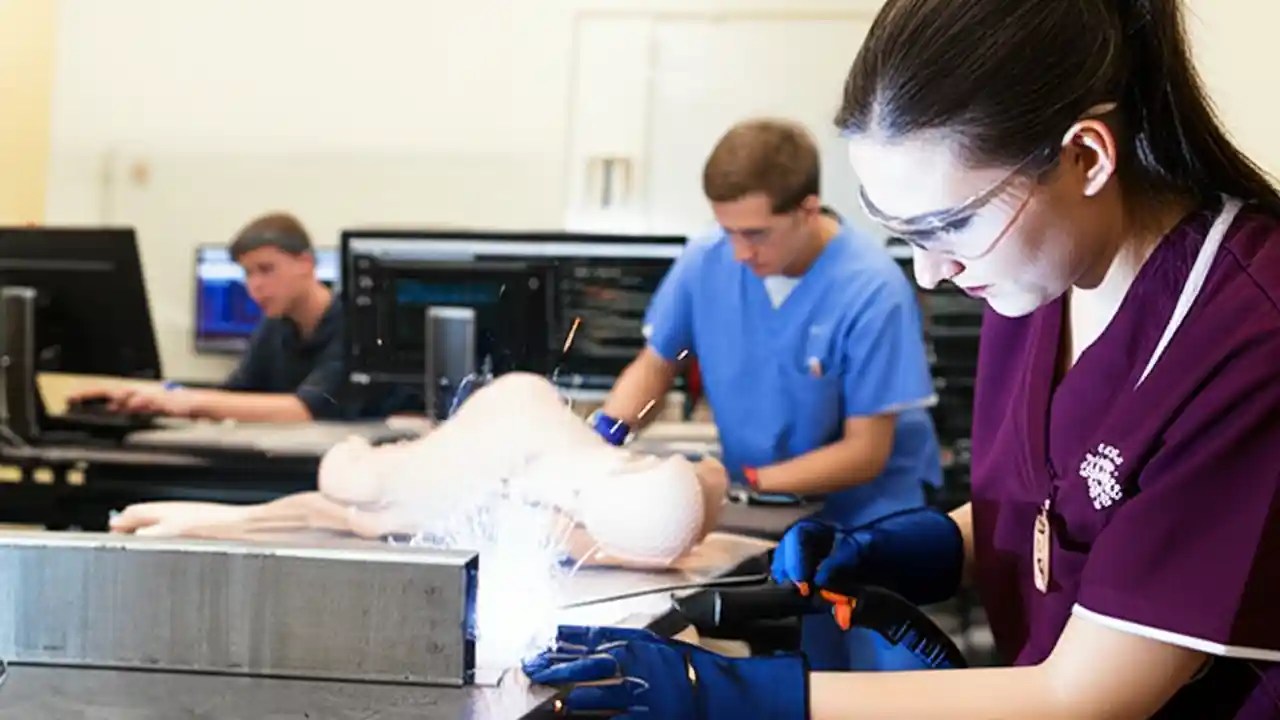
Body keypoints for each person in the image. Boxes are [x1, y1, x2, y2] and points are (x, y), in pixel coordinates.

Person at [526, 0, 1280, 717]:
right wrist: (932, 547)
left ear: (1086, 157)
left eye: (948, 225)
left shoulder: (1245, 336)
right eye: (904, 233)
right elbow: (1069, 506)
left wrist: (734, 696)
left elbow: (1084, 698)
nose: (930, 272)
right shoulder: (1037, 273)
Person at [592, 118, 943, 671]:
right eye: (726, 230)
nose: (738, 252)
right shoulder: (708, 259)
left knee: (876, 682)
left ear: (808, 210)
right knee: (808, 676)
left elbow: (865, 452)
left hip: (869, 520)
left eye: (755, 234)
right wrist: (603, 440)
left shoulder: (872, 289)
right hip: (775, 516)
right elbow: (656, 367)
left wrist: (736, 488)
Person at [105, 372, 730, 570]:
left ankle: (200, 520)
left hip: (553, 455)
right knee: (362, 506)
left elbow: (708, 478)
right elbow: (338, 483)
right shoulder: (444, 476)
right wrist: (360, 445)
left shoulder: (655, 502)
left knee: (362, 517)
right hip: (508, 425)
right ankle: (195, 521)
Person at [74, 213, 349, 422]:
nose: (255, 286)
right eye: (248, 273)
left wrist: (189, 401)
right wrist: (148, 398)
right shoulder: (275, 326)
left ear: (306, 263)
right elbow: (234, 395)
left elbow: (305, 410)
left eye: (266, 269)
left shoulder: (355, 324)